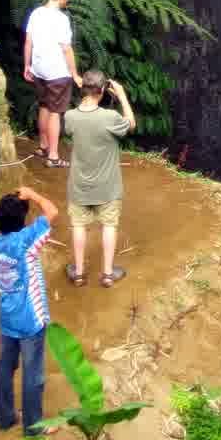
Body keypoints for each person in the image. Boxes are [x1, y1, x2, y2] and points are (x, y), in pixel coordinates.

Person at [0, 185, 58, 435]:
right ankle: (34, 426)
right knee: (33, 373)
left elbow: (2, 222)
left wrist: (13, 204)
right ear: (22, 221)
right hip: (30, 319)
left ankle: (6, 418)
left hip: (7, 318)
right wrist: (33, 195)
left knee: (5, 368)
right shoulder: (27, 242)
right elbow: (52, 210)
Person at [63, 69, 135, 288]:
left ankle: (79, 274)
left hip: (79, 186)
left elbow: (70, 131)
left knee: (78, 225)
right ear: (104, 90)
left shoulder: (70, 117)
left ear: (83, 88)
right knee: (109, 225)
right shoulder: (110, 118)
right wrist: (121, 96)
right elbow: (131, 124)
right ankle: (107, 274)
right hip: (107, 187)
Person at [24, 0, 81, 167]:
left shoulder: (36, 13)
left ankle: (43, 146)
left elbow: (28, 42)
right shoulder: (61, 19)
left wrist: (27, 66)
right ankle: (54, 156)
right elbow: (66, 49)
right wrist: (74, 74)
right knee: (55, 112)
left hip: (38, 68)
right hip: (57, 72)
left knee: (44, 106)